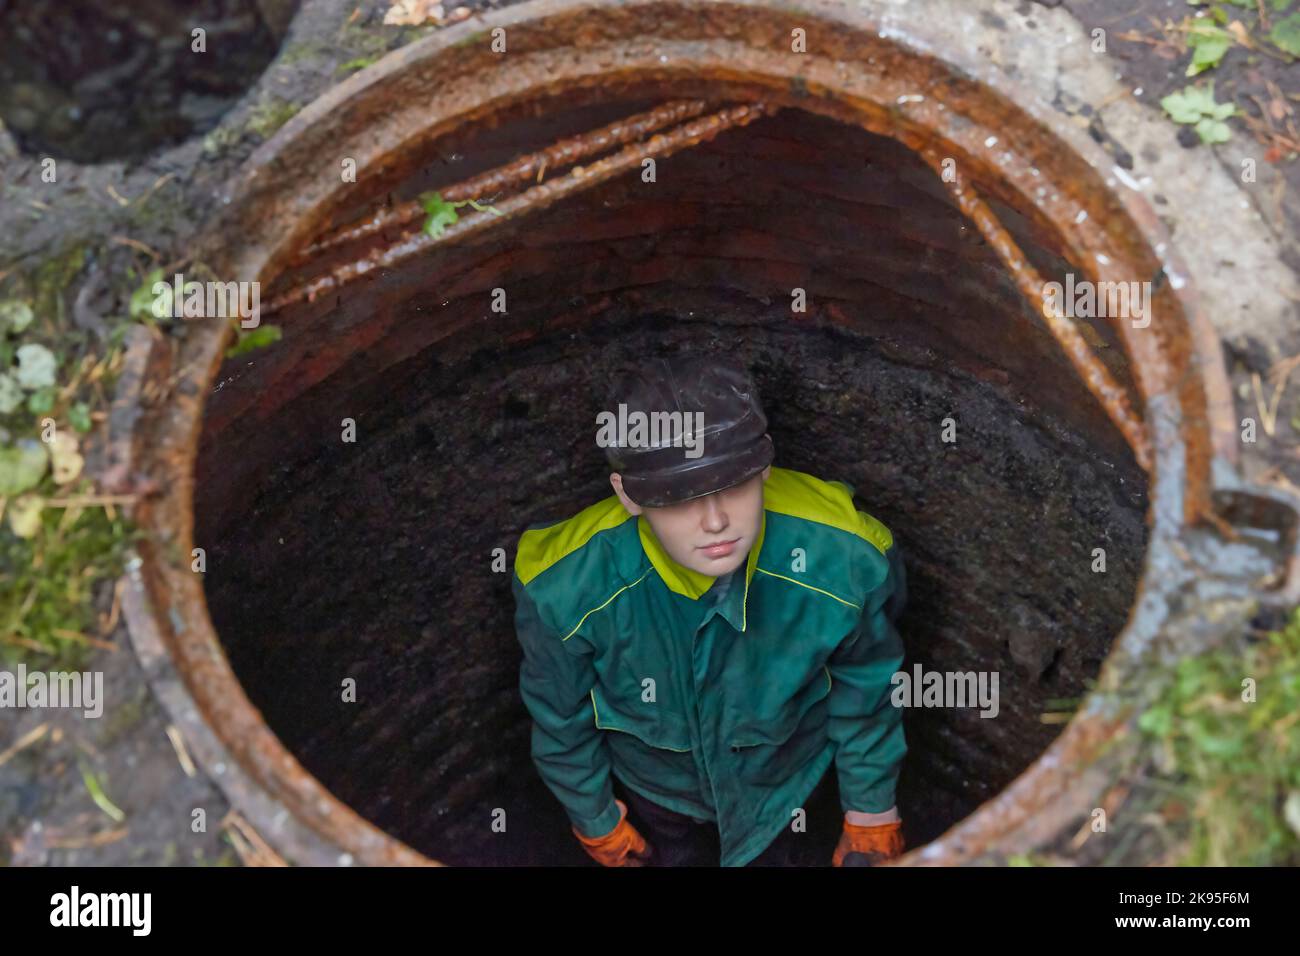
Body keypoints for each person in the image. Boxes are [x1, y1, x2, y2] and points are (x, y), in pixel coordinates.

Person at [511, 354, 907, 866]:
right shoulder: (565, 587)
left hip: (782, 788)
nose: (716, 522)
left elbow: (869, 683)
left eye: (735, 486)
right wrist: (596, 818)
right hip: (657, 795)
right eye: (680, 498)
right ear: (628, 496)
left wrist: (870, 810)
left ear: (765, 467)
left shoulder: (845, 558)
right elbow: (559, 715)